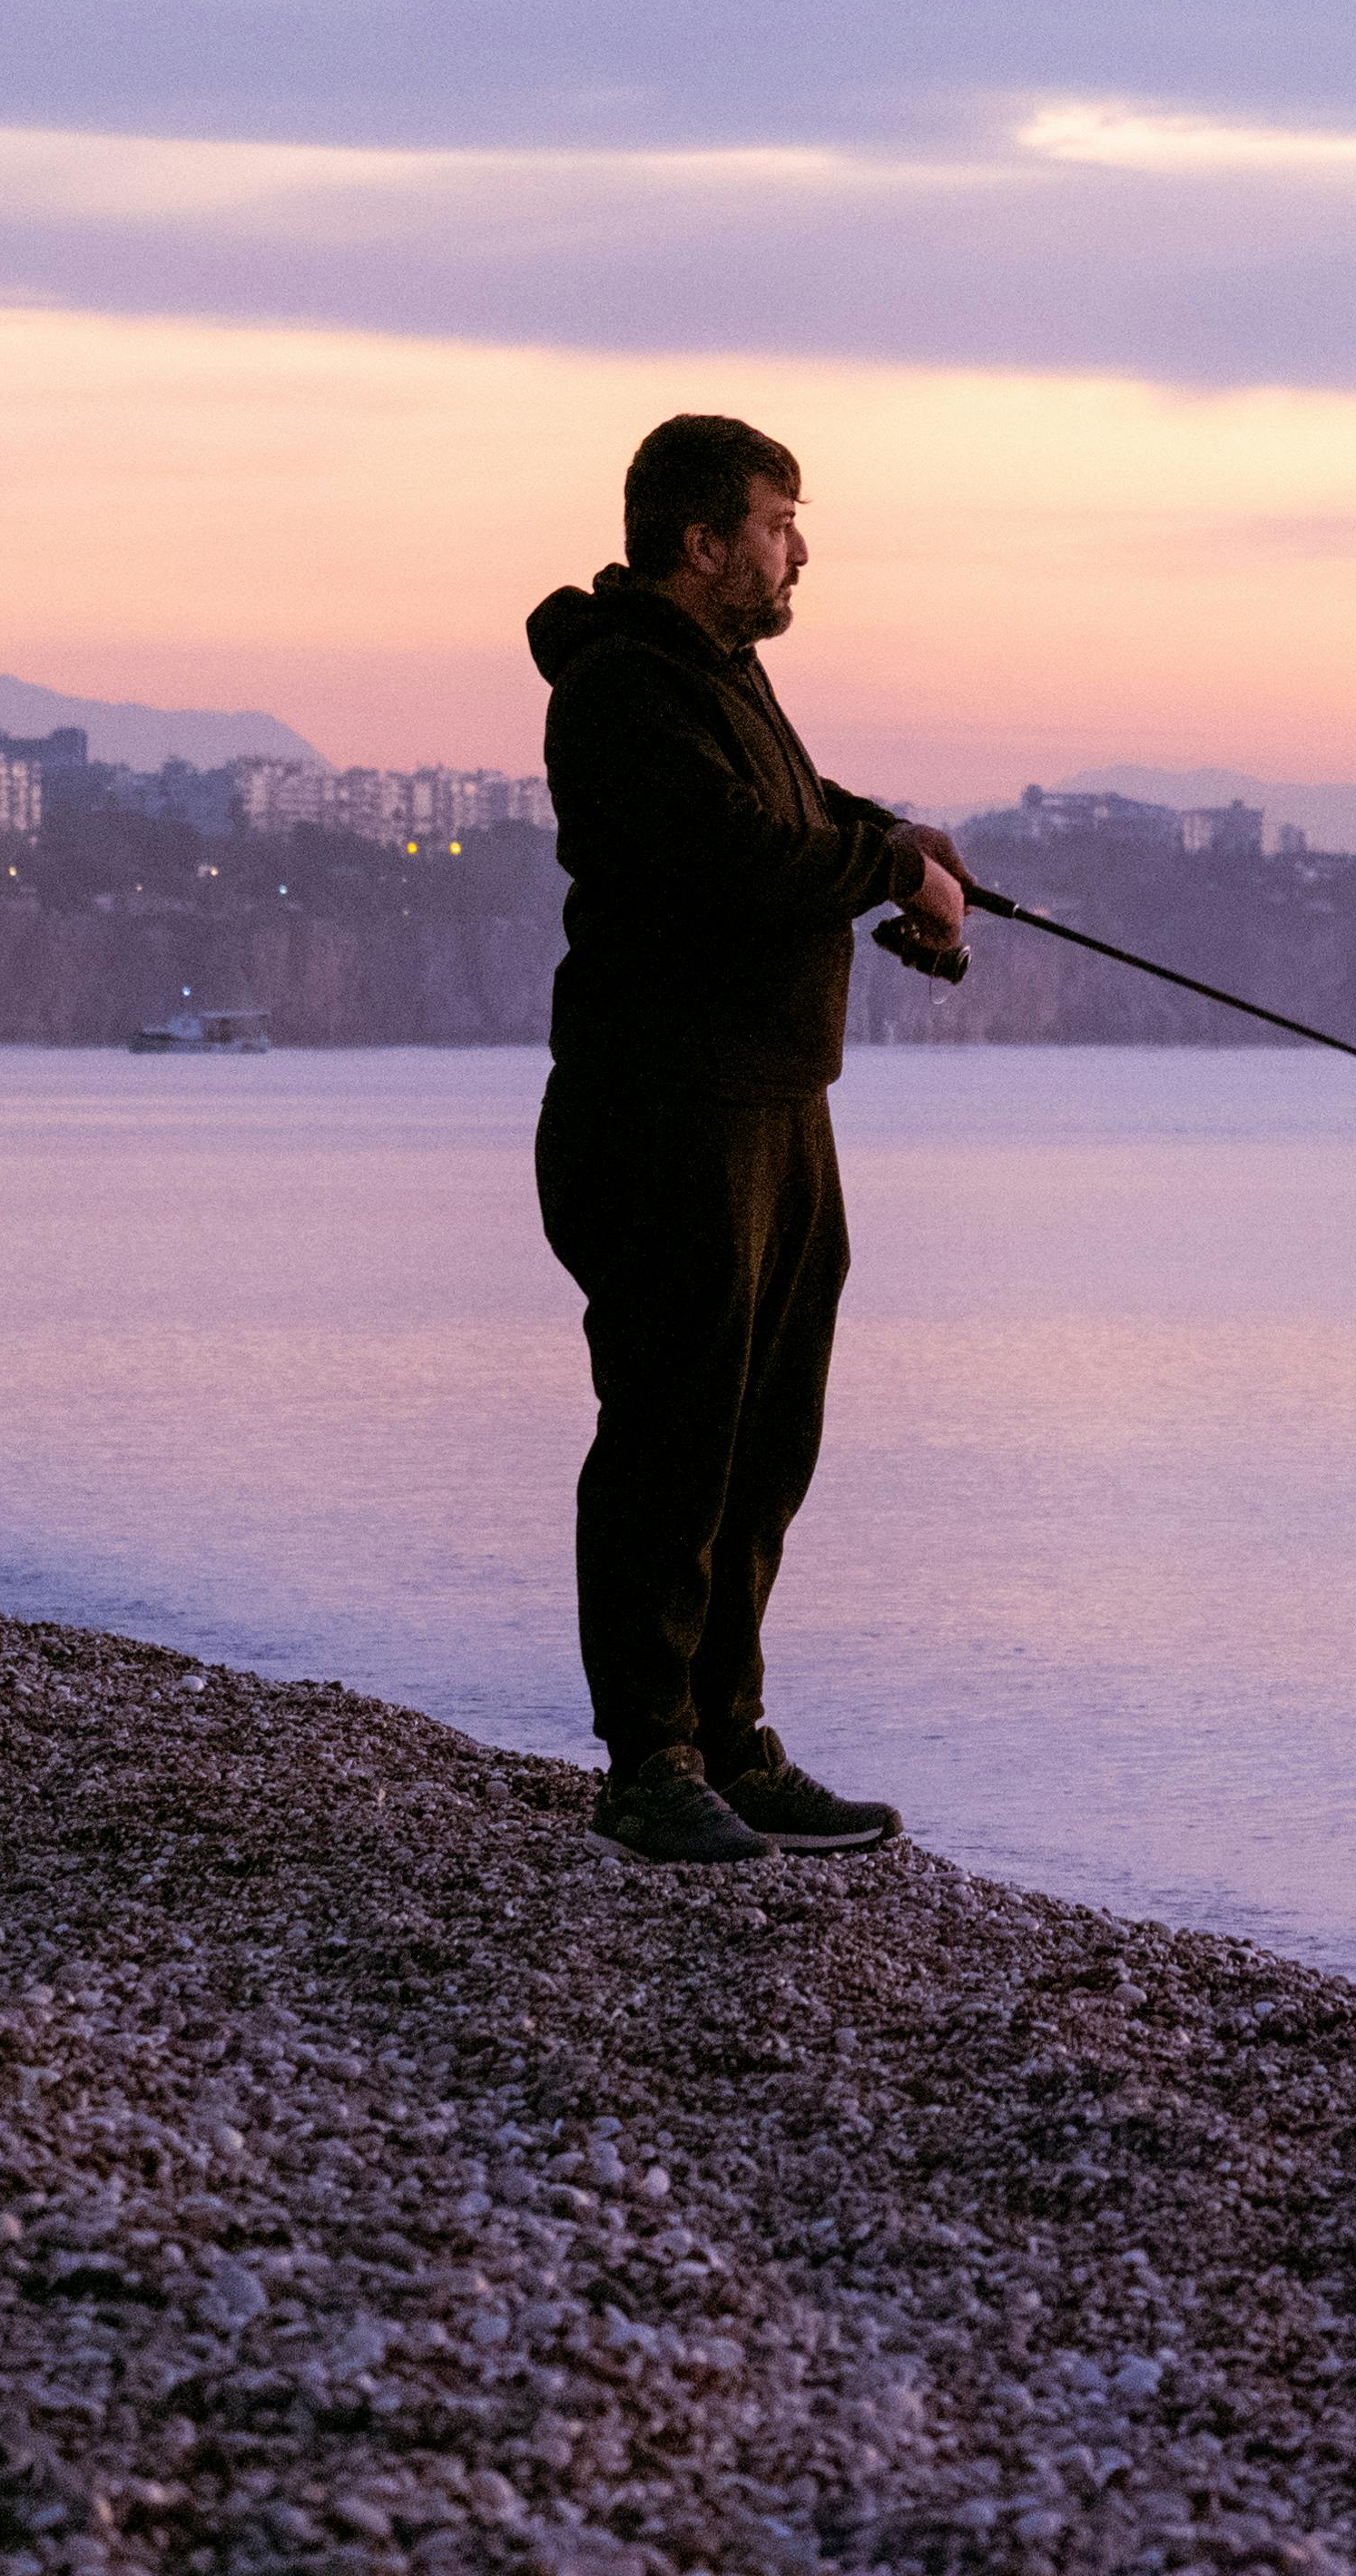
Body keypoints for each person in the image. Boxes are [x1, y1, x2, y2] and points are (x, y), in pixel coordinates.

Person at [522, 415, 970, 1866]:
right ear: (704, 545)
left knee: (766, 1440)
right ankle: (648, 1763)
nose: (800, 551)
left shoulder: (722, 674)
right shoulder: (617, 693)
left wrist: (912, 853)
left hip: (777, 1108)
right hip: (664, 1113)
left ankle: (729, 1735)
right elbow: (736, 858)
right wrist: (887, 865)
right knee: (673, 1435)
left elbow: (800, 813)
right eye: (780, 525)